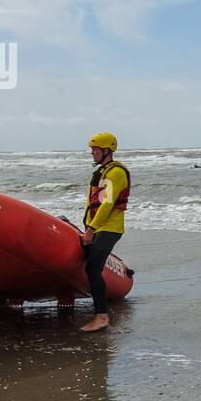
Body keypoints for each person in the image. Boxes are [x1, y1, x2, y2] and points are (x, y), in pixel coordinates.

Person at [80, 132, 130, 333]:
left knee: (92, 268)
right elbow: (91, 202)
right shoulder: (101, 172)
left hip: (110, 228)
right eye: (92, 150)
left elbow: (108, 203)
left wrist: (91, 229)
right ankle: (100, 312)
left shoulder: (116, 172)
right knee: (91, 266)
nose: (92, 153)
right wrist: (88, 226)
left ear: (107, 150)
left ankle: (101, 317)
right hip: (99, 226)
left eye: (96, 150)